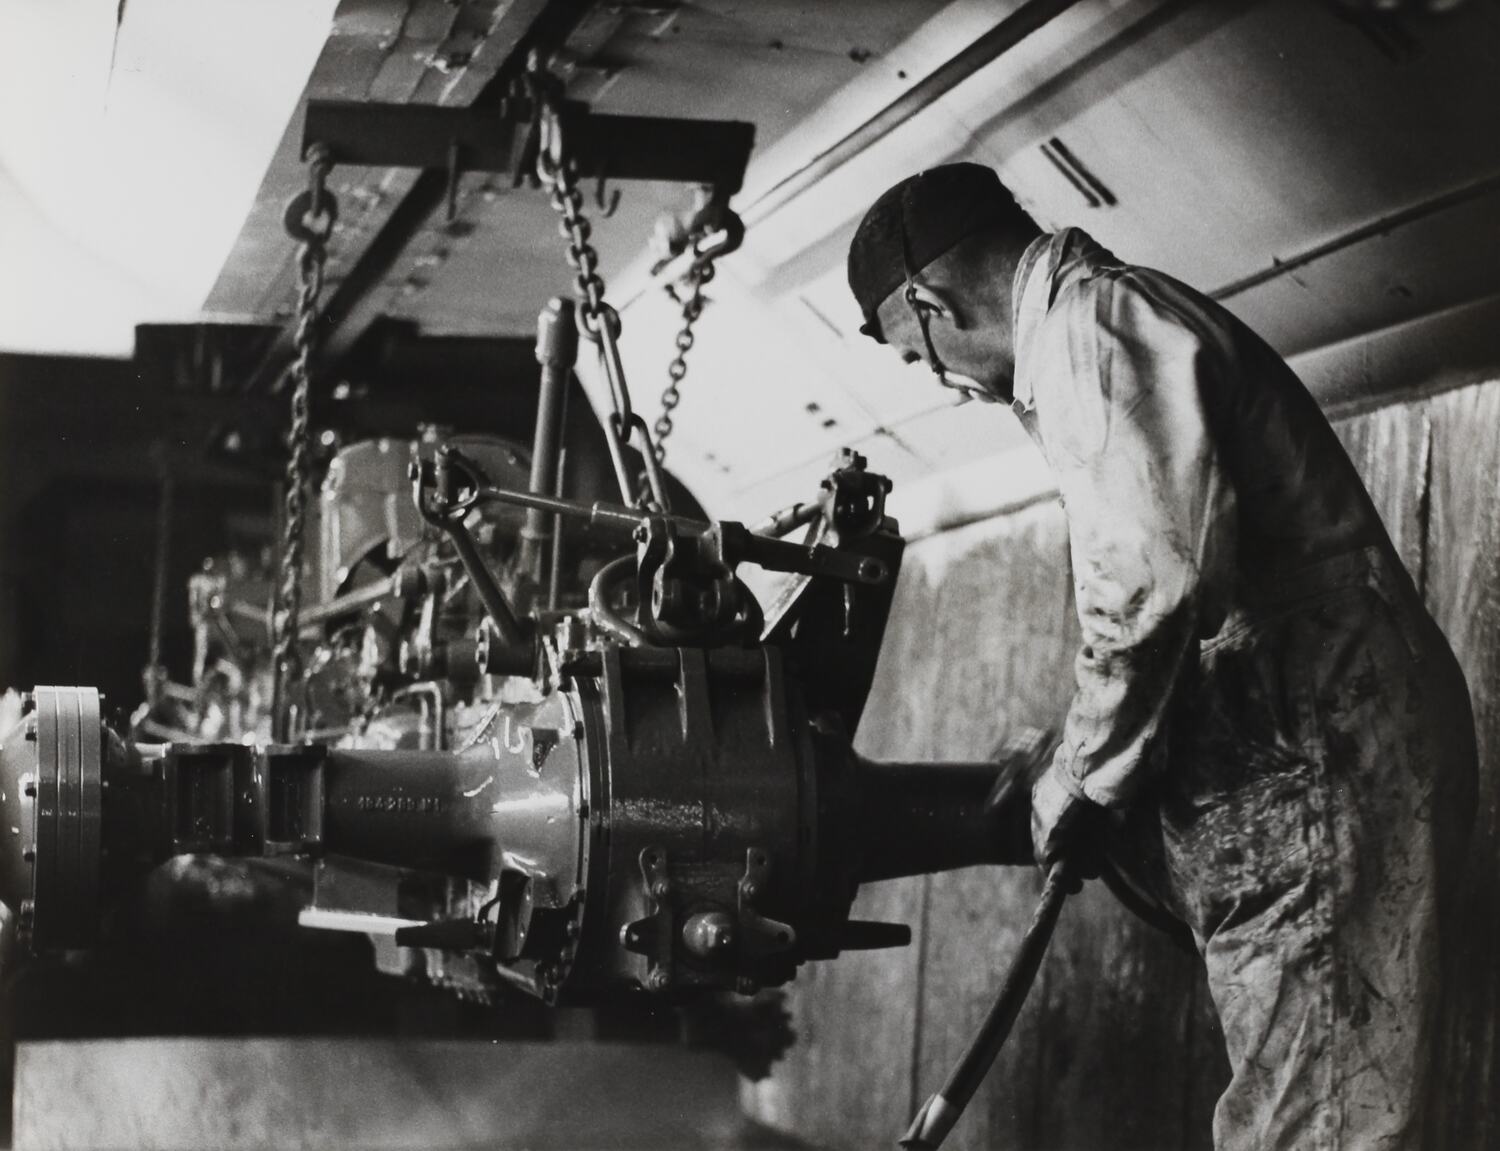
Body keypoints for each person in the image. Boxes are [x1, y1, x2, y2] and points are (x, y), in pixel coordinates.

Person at [846, 162, 1476, 1150]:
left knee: (1316, 1124)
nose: (948, 385)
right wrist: (1077, 766)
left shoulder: (1086, 332)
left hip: (1317, 743)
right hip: (1309, 734)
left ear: (928, 302)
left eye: (920, 356)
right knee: (1320, 1106)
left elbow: (1151, 583)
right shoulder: (1108, 320)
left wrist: (1080, 779)